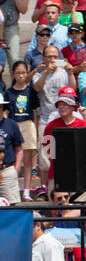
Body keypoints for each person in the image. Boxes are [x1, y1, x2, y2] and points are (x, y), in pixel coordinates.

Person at [4, 60, 40, 200]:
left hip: (28, 124)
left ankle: (26, 190)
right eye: (18, 73)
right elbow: (6, 112)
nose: (20, 76)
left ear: (27, 73)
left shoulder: (31, 90)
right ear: (13, 74)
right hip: (13, 125)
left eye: (23, 73)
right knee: (13, 159)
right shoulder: (8, 92)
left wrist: (35, 130)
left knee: (27, 160)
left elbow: (34, 111)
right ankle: (11, 189)